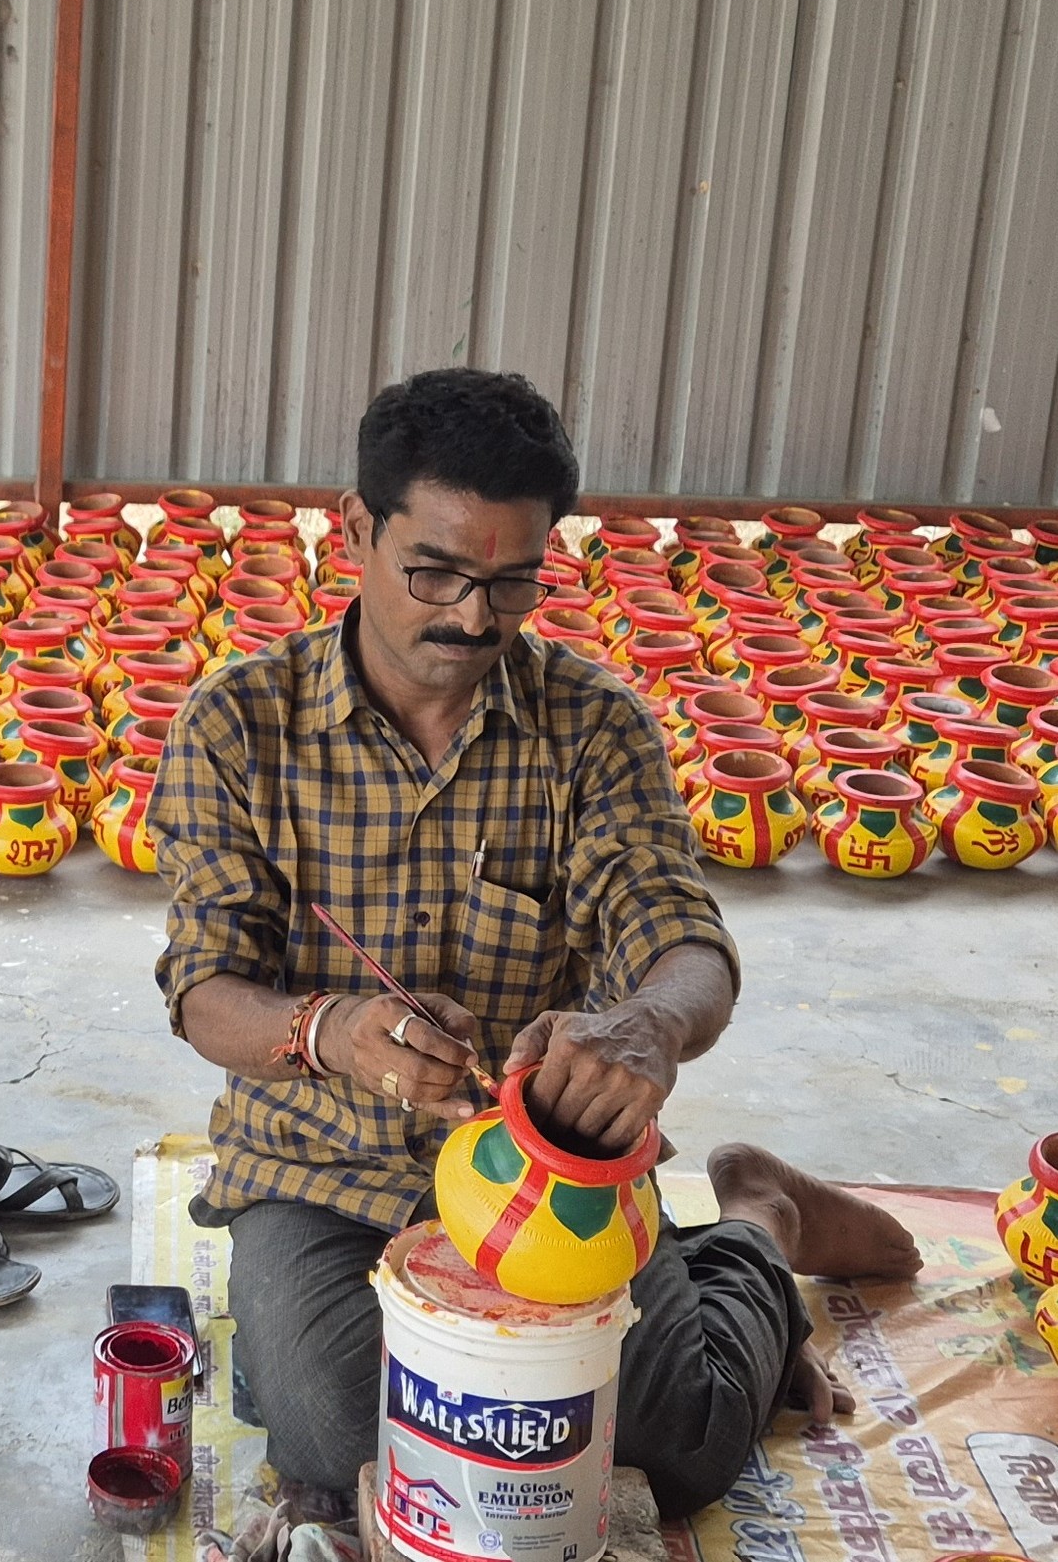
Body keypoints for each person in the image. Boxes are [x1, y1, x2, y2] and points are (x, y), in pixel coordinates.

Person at [148, 367, 921, 1521]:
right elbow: (204, 988)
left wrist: (645, 1026)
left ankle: (759, 1216)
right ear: (354, 529)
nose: (470, 618)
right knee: (337, 1443)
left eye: (512, 585)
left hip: (544, 1161)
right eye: (436, 573)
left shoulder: (595, 726)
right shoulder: (237, 724)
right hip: (324, 1171)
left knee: (671, 1455)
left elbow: (684, 942)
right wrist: (331, 1031)